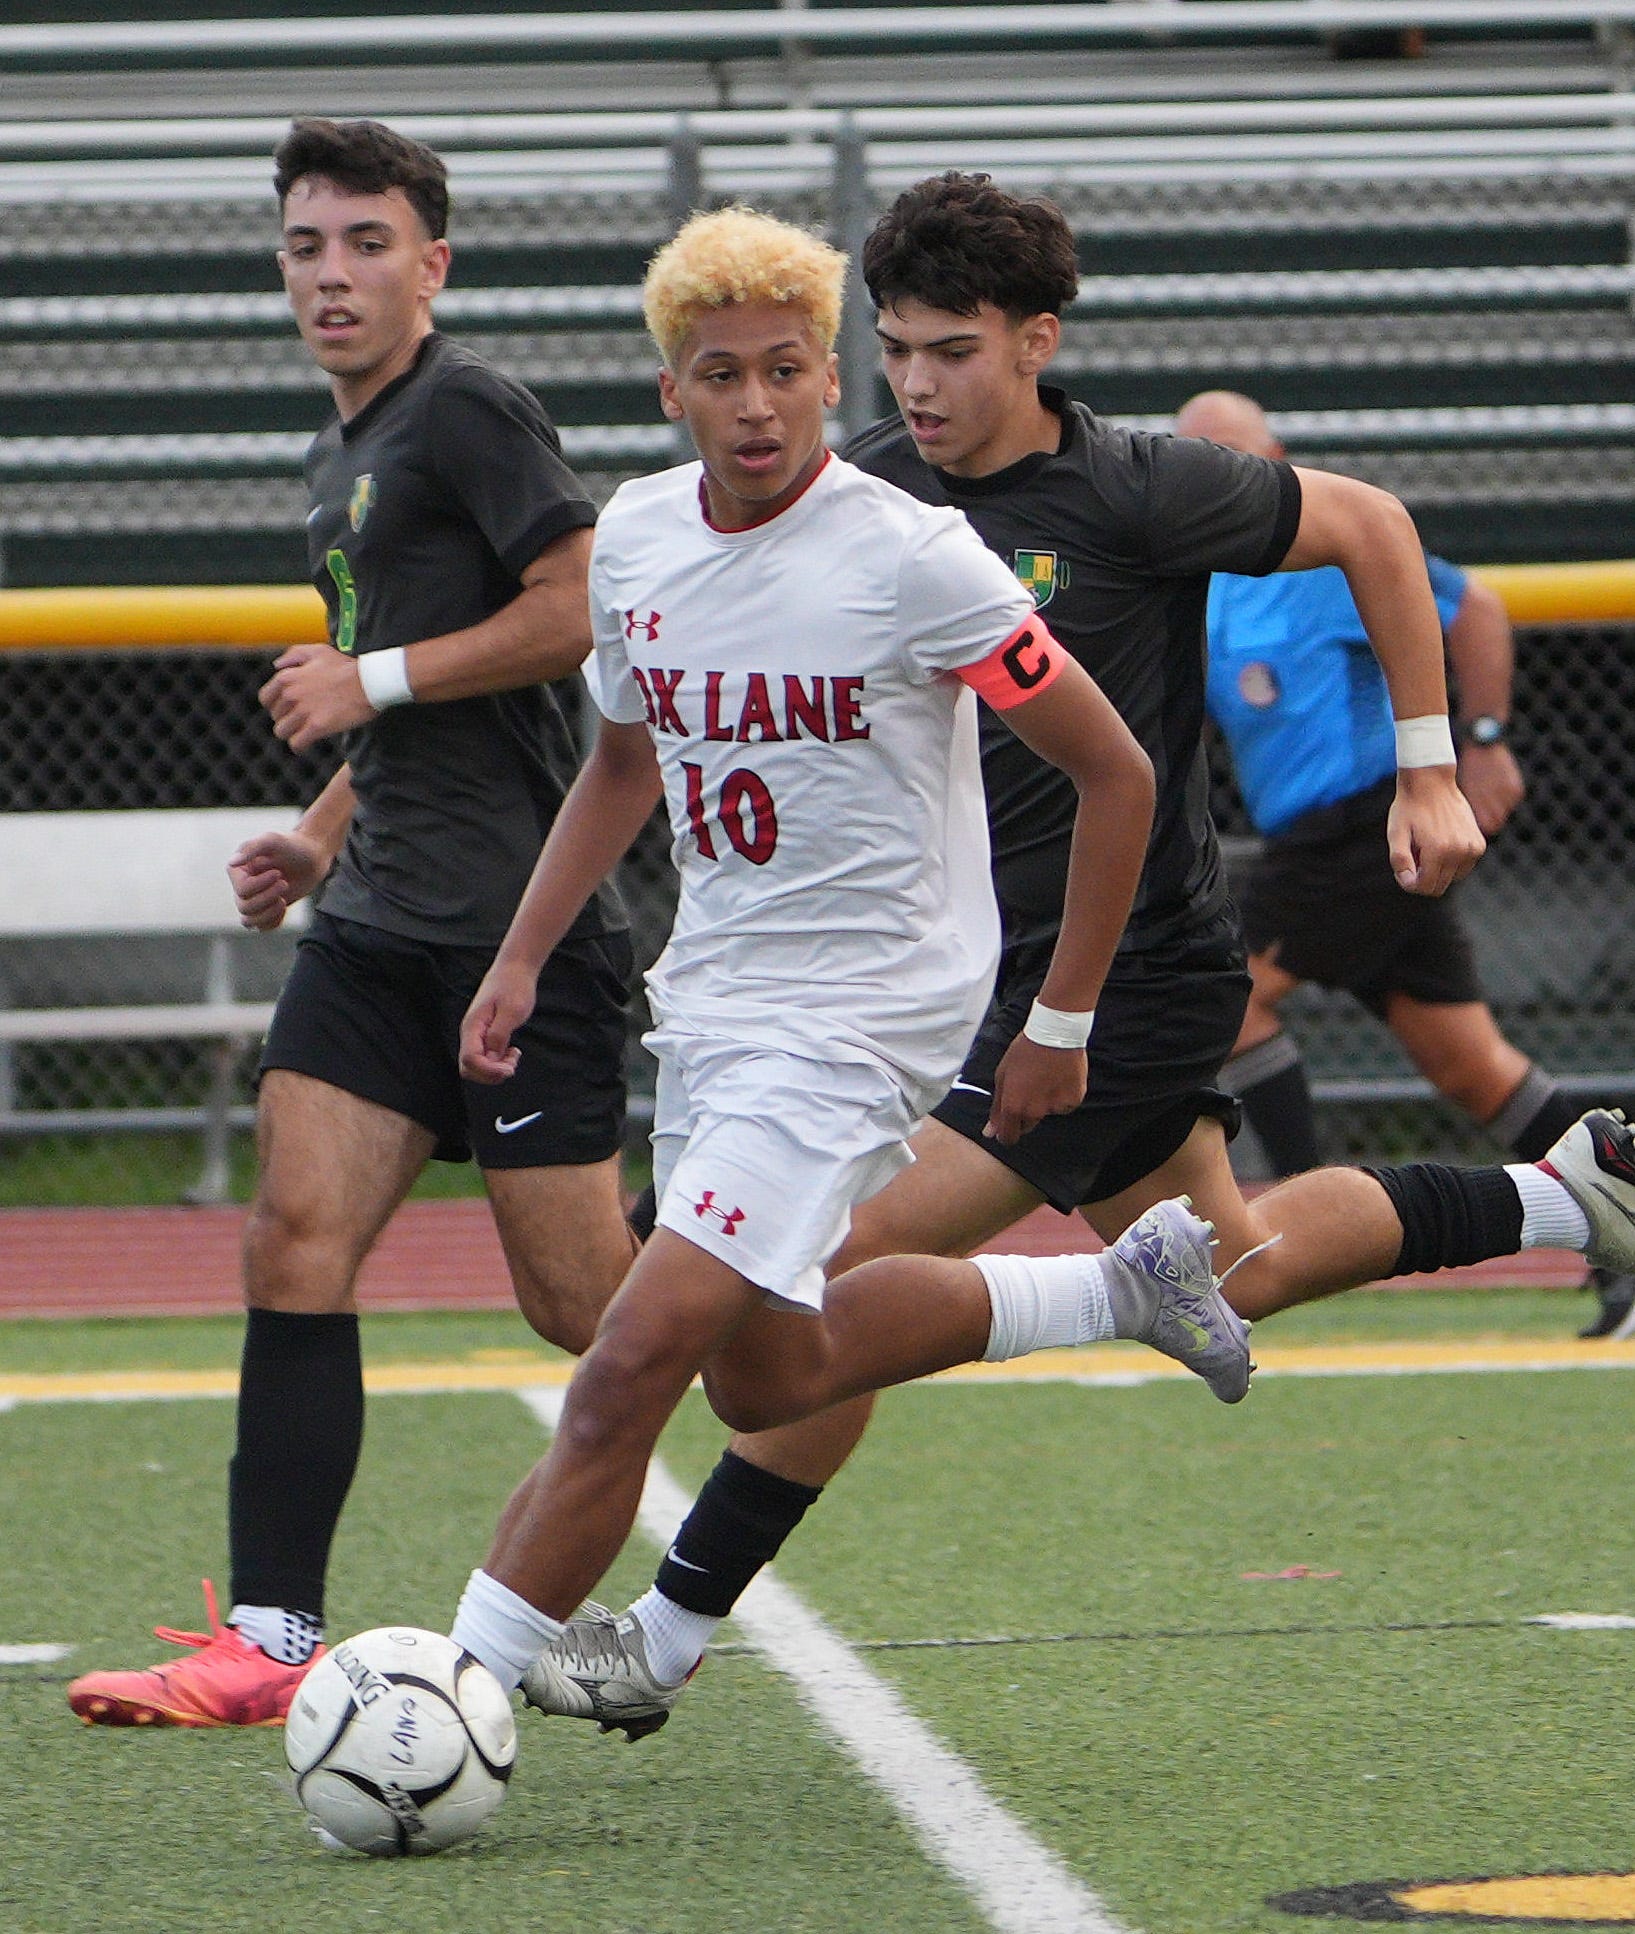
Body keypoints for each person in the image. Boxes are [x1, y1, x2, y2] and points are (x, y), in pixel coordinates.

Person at [514, 172, 1635, 1747]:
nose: (917, 383)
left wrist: (1430, 764)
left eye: (954, 349)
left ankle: (667, 1631)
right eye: (895, 348)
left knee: (804, 1274)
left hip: (1116, 975)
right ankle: (1568, 1187)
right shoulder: (870, 492)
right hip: (960, 972)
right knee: (1230, 1261)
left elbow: (1374, 529)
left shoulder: (1137, 486)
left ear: (1035, 342)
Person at [442, 202, 1268, 1702]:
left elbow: (1118, 774)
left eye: (782, 370)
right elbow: (622, 766)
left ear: (831, 378)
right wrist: (517, 957)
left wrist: (1060, 1020)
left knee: (630, 1353)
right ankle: (1116, 1292)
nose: (752, 405)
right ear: (666, 392)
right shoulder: (631, 537)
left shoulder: (916, 556)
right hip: (716, 1003)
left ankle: (453, 1687)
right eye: (717, 375)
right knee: (767, 1365)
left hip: (867, 1012)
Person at [66, 118, 638, 1729]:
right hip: (381, 927)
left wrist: (365, 679)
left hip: (526, 933)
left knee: (589, 1309)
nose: (334, 273)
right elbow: (397, 717)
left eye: (366, 243)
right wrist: (322, 840)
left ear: (430, 264)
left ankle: (761, 1387)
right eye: (308, 245)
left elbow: (577, 603)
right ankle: (268, 1634)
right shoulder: (340, 452)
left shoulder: (467, 406)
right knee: (292, 1241)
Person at [1179, 387, 1635, 1339]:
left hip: (1358, 828)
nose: (1220, 474)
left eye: (1238, 454)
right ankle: (1624, 1224)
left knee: (1229, 1003)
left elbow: (1475, 608)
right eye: (1200, 457)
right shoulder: (1210, 580)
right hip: (1321, 840)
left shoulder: (1319, 555)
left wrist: (1480, 739)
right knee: (1472, 1068)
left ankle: (1293, 1238)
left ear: (1276, 457)